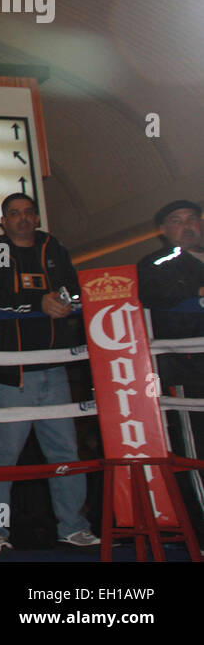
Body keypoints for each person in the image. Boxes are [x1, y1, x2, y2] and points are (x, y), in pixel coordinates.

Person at [0, 192, 99, 555]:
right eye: (14, 214)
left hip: (54, 365)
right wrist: (37, 301)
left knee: (65, 452)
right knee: (3, 457)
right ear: (4, 221)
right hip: (11, 372)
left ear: (37, 217)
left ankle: (73, 526)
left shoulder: (54, 247)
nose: (23, 219)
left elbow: (73, 287)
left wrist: (68, 301)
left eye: (28, 213)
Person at [136, 199, 204, 521]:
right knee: (196, 451)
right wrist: (199, 291)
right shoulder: (156, 264)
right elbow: (155, 294)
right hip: (186, 369)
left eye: (192, 218)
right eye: (177, 220)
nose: (188, 225)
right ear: (164, 230)